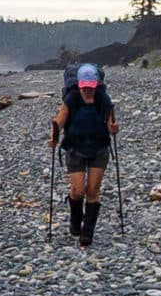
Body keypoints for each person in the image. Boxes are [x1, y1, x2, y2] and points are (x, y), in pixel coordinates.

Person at [50, 62, 117, 246]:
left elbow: (111, 125)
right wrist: (54, 136)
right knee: (78, 190)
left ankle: (87, 233)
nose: (88, 91)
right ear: (79, 85)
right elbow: (60, 120)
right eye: (85, 87)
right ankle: (75, 219)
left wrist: (113, 128)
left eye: (91, 87)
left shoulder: (104, 100)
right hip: (75, 148)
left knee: (93, 190)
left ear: (96, 85)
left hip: (99, 148)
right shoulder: (71, 98)